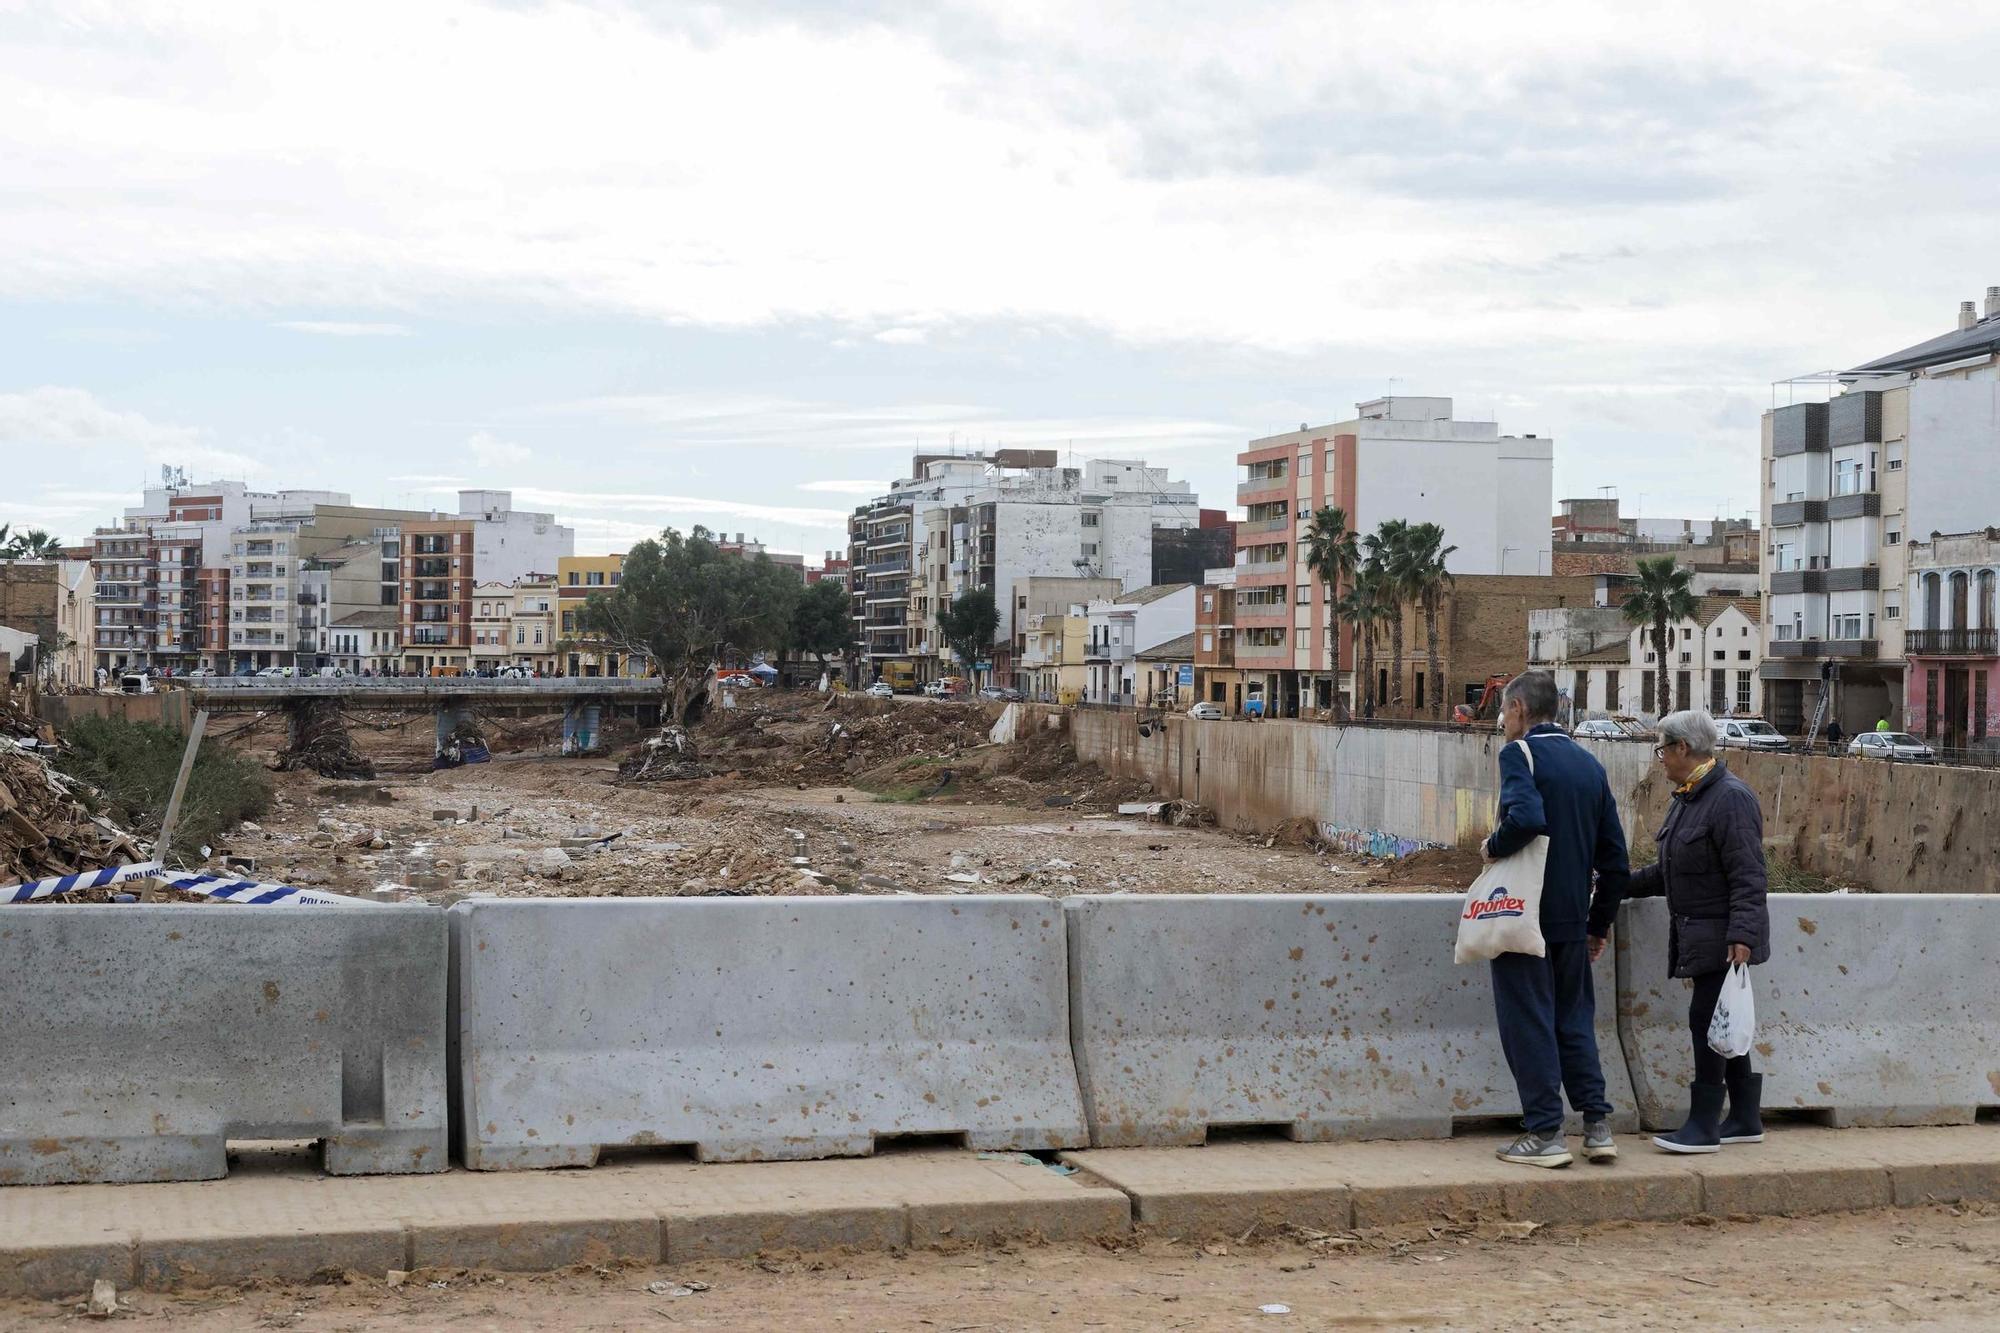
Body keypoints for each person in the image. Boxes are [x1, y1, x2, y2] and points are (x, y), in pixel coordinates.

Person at [1589, 709, 1769, 1154]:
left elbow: (1749, 874)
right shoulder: (1690, 798)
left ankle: (1704, 1126)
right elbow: (1670, 871)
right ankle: (1745, 1117)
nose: (1661, 759)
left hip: (1722, 938)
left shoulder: (1730, 799)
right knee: (1722, 1023)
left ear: (1682, 748)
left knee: (1706, 1024)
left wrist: (1741, 937)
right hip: (1702, 933)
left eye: (1663, 749)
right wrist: (1616, 886)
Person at [1483, 671, 1632, 1169]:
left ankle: (1545, 1131)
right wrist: (1598, 924)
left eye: (1504, 711)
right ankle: (1596, 1126)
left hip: (1524, 916)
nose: (1501, 721)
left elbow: (1525, 819)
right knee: (1574, 1021)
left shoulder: (1518, 754)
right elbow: (1615, 861)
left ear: (1520, 709)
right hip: (1572, 918)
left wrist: (1492, 846)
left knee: (1528, 1020)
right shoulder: (1590, 765)